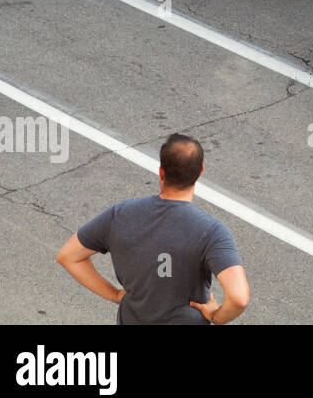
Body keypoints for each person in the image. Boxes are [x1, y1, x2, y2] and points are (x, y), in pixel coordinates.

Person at [55, 134, 250, 325]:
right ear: (200, 172)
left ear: (161, 172)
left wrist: (114, 294)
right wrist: (216, 317)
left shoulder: (120, 215)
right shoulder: (212, 231)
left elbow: (68, 256)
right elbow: (238, 299)